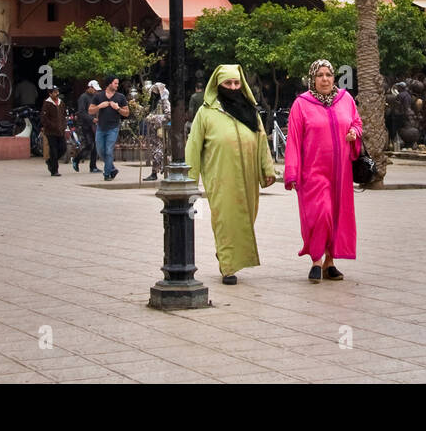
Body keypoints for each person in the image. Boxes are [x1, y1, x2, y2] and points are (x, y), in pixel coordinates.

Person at [185, 64, 276, 285]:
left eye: (236, 83)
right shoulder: (206, 113)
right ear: (218, 85)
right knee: (226, 220)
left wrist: (267, 170)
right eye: (228, 83)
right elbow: (194, 146)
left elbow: (261, 140)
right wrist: (188, 181)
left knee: (246, 218)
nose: (233, 87)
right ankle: (228, 266)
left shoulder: (250, 111)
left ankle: (227, 255)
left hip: (248, 177)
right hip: (220, 177)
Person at [284, 58, 363, 283]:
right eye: (320, 75)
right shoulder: (301, 104)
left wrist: (354, 134)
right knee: (322, 213)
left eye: (329, 75)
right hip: (313, 172)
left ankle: (329, 262)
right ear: (312, 79)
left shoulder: (345, 99)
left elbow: (357, 123)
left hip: (341, 171)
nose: (325, 79)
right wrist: (292, 172)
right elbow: (294, 140)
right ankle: (316, 261)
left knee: (337, 214)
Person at [89, 76, 129, 181]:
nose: (117, 85)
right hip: (101, 127)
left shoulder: (120, 97)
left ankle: (107, 174)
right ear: (109, 84)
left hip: (113, 128)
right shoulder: (98, 96)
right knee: (100, 151)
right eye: (115, 83)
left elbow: (127, 113)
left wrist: (118, 108)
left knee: (108, 151)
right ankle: (112, 169)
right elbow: (90, 111)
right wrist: (99, 107)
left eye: (117, 83)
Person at [143, 82, 171, 181]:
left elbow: (168, 116)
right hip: (154, 131)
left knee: (160, 152)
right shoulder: (156, 102)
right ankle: (154, 172)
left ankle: (163, 172)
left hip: (161, 132)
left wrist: (153, 118)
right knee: (155, 151)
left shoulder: (165, 101)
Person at [74, 80, 100, 173]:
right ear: (90, 87)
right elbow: (81, 112)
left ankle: (93, 166)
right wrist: (91, 119)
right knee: (90, 144)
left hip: (93, 124)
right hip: (85, 124)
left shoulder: (95, 97)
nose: (95, 91)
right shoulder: (83, 97)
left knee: (95, 145)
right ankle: (77, 159)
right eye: (94, 89)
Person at [40, 86, 66, 177]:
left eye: (57, 91)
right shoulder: (47, 103)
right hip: (51, 131)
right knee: (53, 150)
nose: (57, 94)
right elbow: (44, 119)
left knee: (63, 148)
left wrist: (64, 126)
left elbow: (63, 115)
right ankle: (54, 170)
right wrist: (52, 126)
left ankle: (50, 161)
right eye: (54, 92)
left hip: (60, 130)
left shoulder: (61, 103)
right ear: (50, 94)